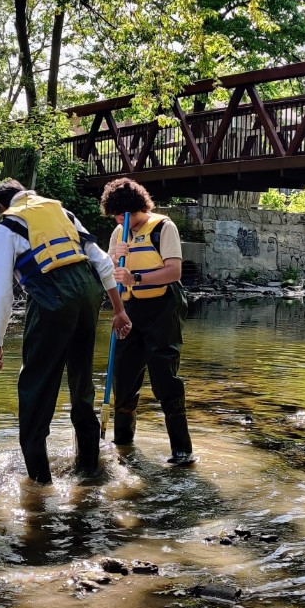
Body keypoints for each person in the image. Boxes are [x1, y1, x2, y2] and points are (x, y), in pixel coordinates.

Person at [0, 178, 133, 485]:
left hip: (52, 301)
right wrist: (119, 311)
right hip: (89, 296)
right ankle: (90, 471)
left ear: (1, 207)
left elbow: (3, 292)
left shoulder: (8, 226)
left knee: (36, 391)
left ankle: (40, 485)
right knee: (81, 386)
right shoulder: (62, 213)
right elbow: (103, 263)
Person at [101, 177, 196, 465]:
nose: (118, 220)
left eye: (120, 214)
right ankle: (122, 445)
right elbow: (109, 274)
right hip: (129, 310)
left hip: (162, 308)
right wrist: (113, 260)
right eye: (115, 216)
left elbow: (174, 272)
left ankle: (182, 449)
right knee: (123, 379)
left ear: (134, 208)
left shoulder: (163, 227)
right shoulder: (119, 233)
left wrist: (136, 277)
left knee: (164, 377)